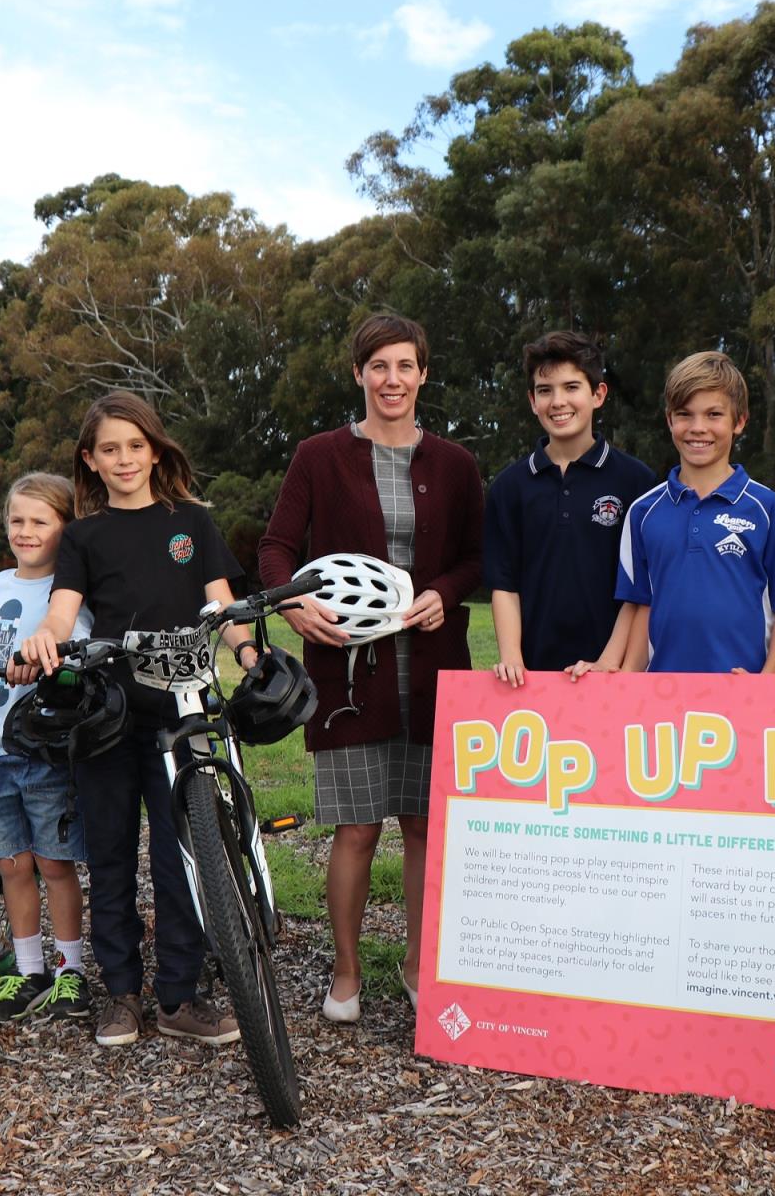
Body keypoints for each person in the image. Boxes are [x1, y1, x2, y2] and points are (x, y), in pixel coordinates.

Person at [258, 311, 482, 1023]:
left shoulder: (456, 464)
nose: (393, 379)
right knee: (356, 828)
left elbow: (477, 558)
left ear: (423, 374)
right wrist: (293, 609)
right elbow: (275, 550)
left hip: (434, 670)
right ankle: (347, 972)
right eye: (378, 366)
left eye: (406, 366)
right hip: (351, 677)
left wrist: (444, 595)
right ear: (359, 374)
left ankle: (419, 966)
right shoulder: (317, 456)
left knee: (422, 825)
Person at [18, 392, 261, 1049]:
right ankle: (121, 994)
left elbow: (224, 605)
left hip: (181, 715)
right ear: (90, 462)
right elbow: (62, 612)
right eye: (109, 449)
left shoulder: (193, 525)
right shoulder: (85, 538)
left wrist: (248, 651)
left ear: (155, 450)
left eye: (134, 445)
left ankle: (180, 996)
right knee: (112, 854)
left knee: (184, 856)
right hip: (108, 716)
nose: (123, 459)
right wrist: (45, 638)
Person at [610, 350, 775, 674]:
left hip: (742, 695)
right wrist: (628, 681)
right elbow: (643, 606)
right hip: (660, 698)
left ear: (739, 422)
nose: (698, 427)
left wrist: (768, 681)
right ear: (669, 420)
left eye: (713, 415)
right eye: (684, 414)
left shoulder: (767, 508)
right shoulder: (643, 512)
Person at [0, 473, 92, 1024]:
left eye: (40, 521)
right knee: (13, 865)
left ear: (64, 528)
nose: (26, 531)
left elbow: (76, 659)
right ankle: (28, 972)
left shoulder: (69, 595)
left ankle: (71, 970)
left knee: (54, 861)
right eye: (17, 520)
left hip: (45, 748)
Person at [484, 330, 657, 687]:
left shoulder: (637, 482)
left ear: (598, 394)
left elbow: (643, 589)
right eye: (545, 391)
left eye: (571, 387)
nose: (558, 401)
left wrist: (612, 663)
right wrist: (512, 659)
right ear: (532, 400)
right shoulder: (509, 487)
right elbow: (504, 584)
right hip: (532, 679)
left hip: (612, 674)